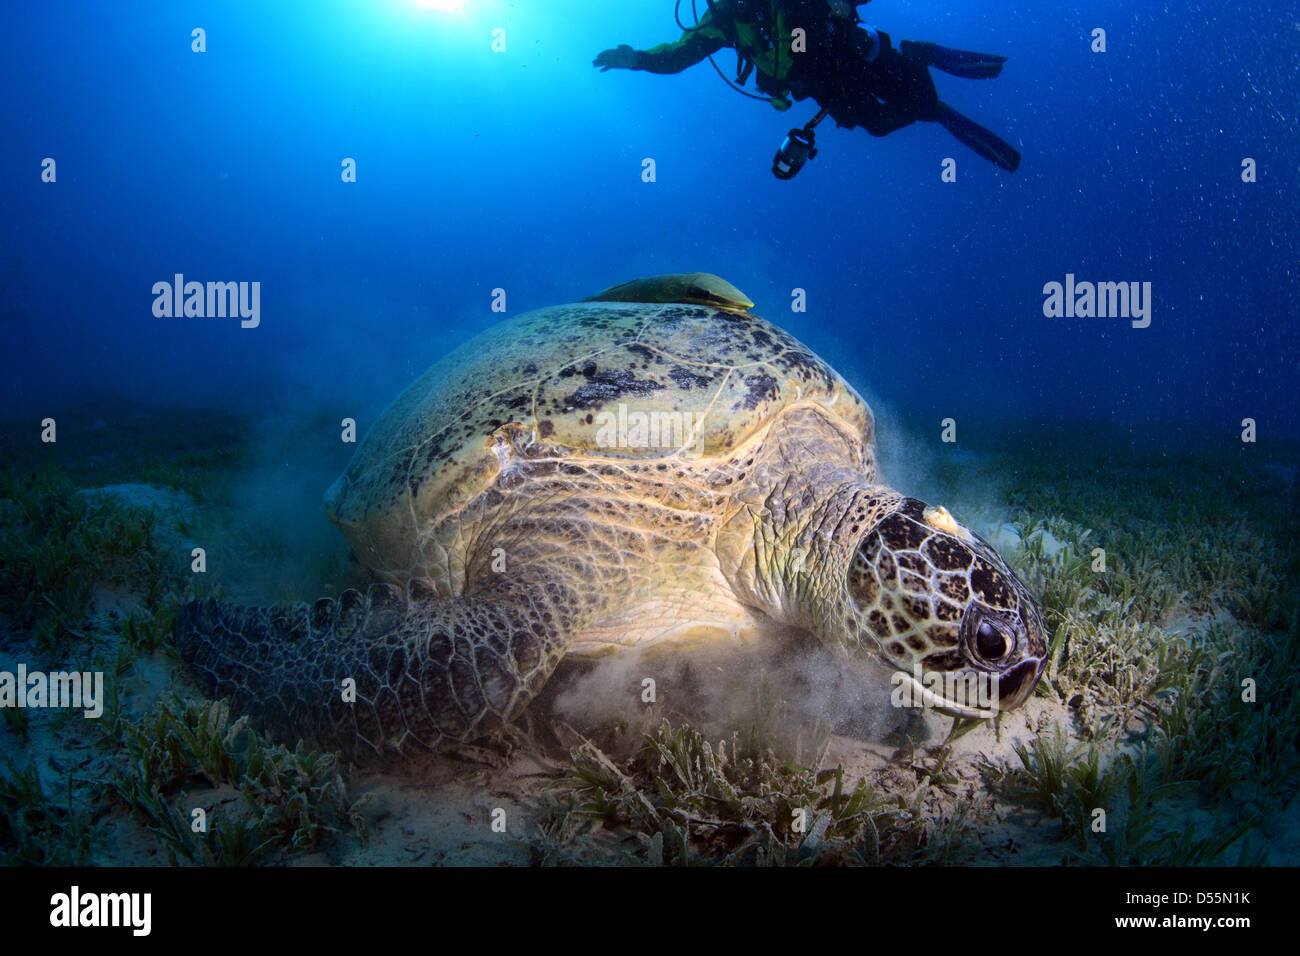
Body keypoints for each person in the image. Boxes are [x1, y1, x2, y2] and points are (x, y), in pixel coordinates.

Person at [594, 0, 1021, 172]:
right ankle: (931, 105)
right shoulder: (722, 21)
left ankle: (920, 55)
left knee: (920, 98)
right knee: (878, 124)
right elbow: (679, 55)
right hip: (819, 87)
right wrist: (638, 60)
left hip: (854, 53)